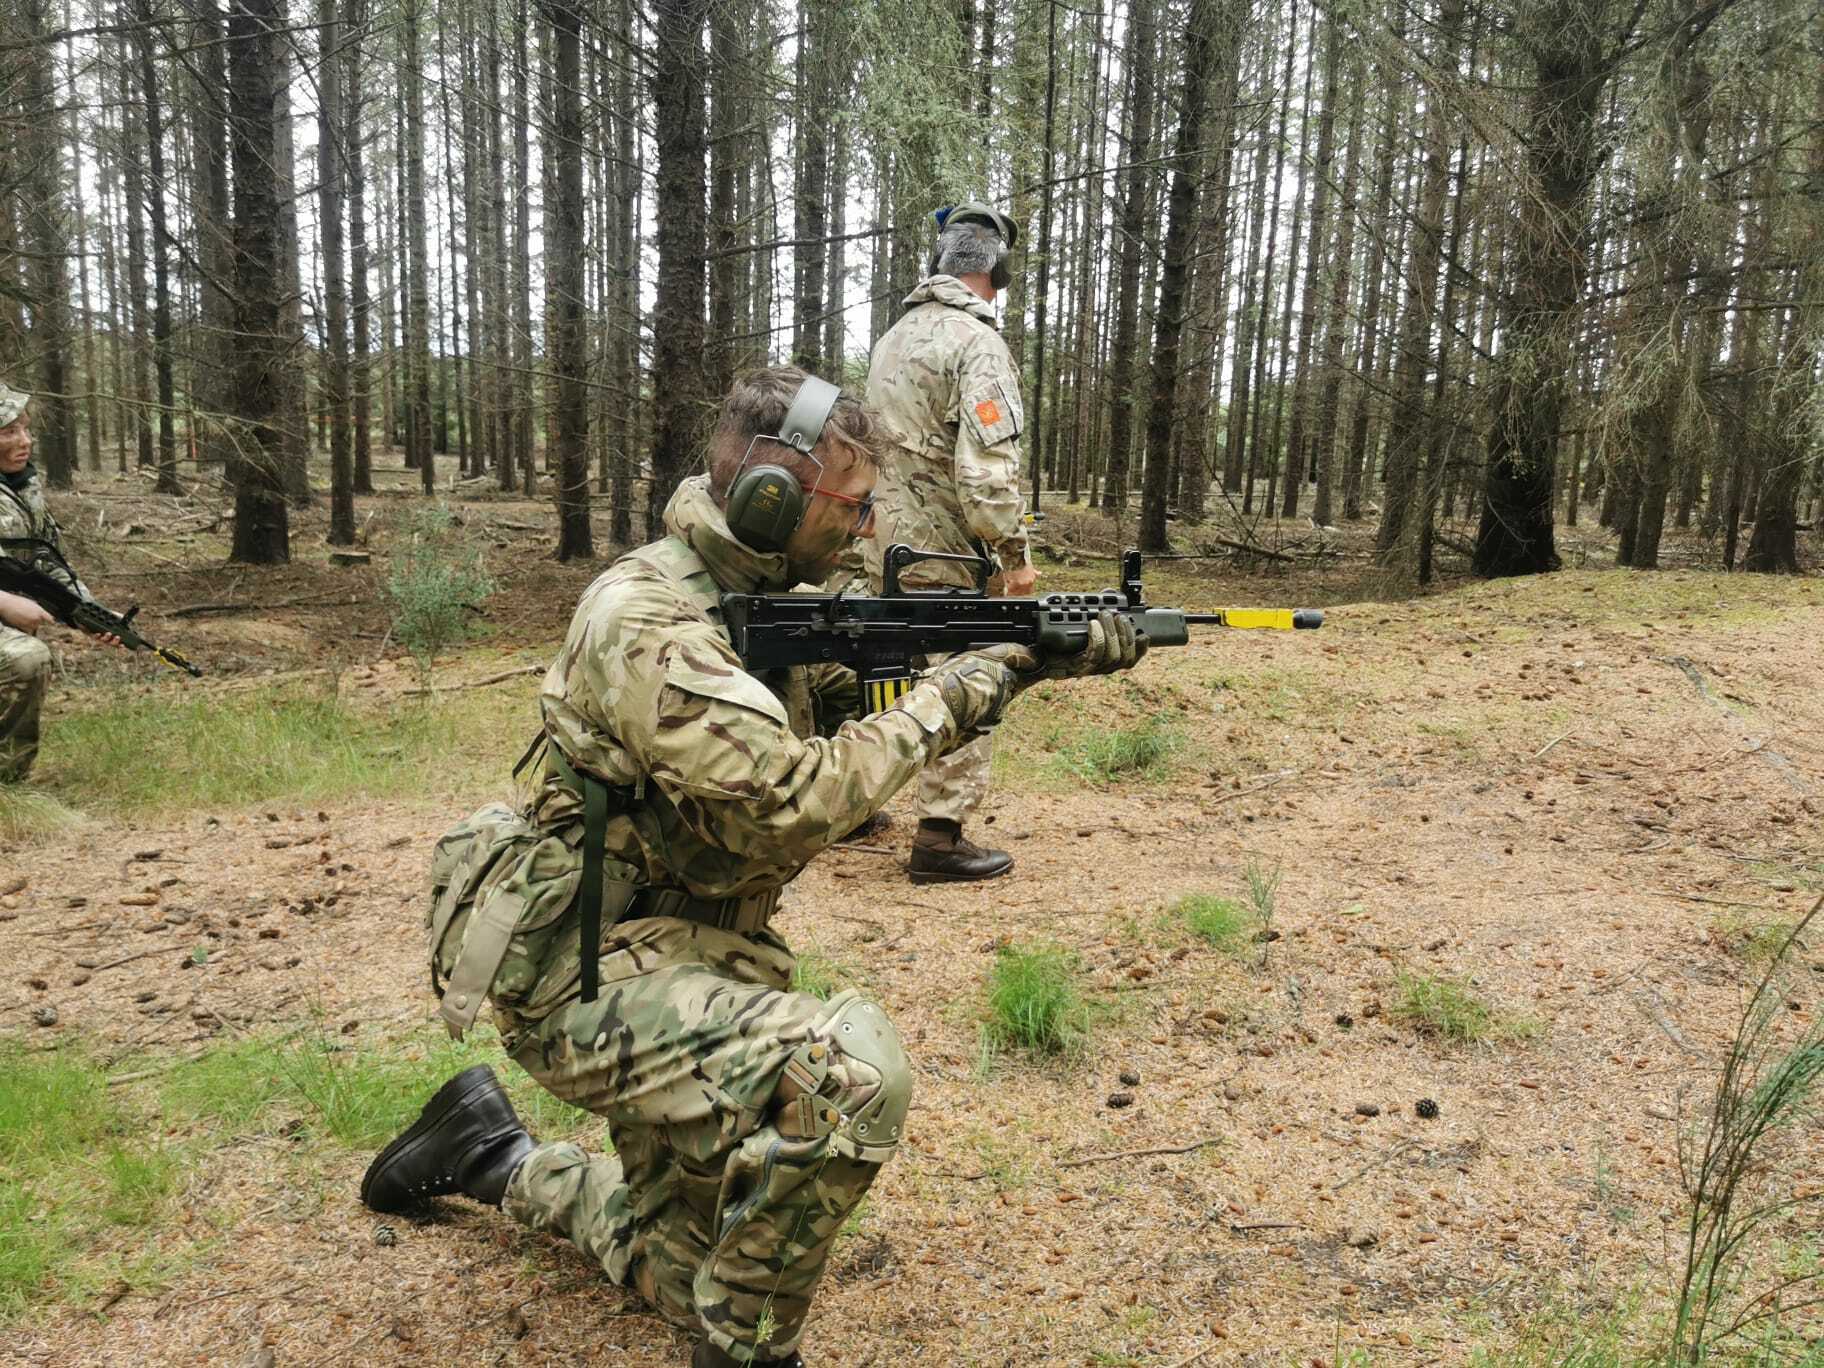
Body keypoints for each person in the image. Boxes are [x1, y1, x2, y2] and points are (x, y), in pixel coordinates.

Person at [360, 367, 1146, 1368]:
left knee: (694, 1276)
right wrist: (952, 695)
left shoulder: (758, 596)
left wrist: (1018, 658)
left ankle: (489, 1153)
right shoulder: (648, 621)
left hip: (681, 956)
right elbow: (787, 803)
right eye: (852, 508)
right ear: (770, 498)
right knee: (848, 1075)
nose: (865, 533)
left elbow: (842, 708)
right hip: (579, 976)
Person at [863, 200, 1037, 884]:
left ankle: (854, 803)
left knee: (882, 674)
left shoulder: (894, 337)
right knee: (969, 676)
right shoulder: (977, 344)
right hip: (947, 552)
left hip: (883, 546)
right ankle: (939, 838)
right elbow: (986, 470)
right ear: (994, 271)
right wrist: (1014, 557)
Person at [0, 381, 113, 781]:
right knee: (25, 658)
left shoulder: (23, 487)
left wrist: (87, 610)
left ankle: (9, 785)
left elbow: (47, 559)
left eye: (25, 429)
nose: (24, 441)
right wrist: (4, 603)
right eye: (9, 431)